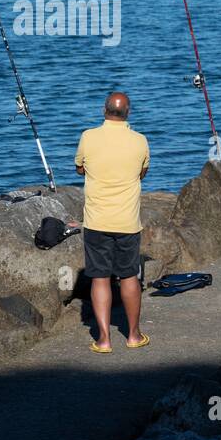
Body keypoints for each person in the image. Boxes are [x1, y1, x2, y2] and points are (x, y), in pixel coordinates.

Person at [74, 91, 150, 353]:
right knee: (129, 275)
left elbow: (79, 168)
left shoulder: (88, 136)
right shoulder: (140, 141)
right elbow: (143, 172)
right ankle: (133, 335)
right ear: (128, 112)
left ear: (103, 110)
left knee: (100, 277)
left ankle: (104, 339)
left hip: (96, 221)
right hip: (127, 221)